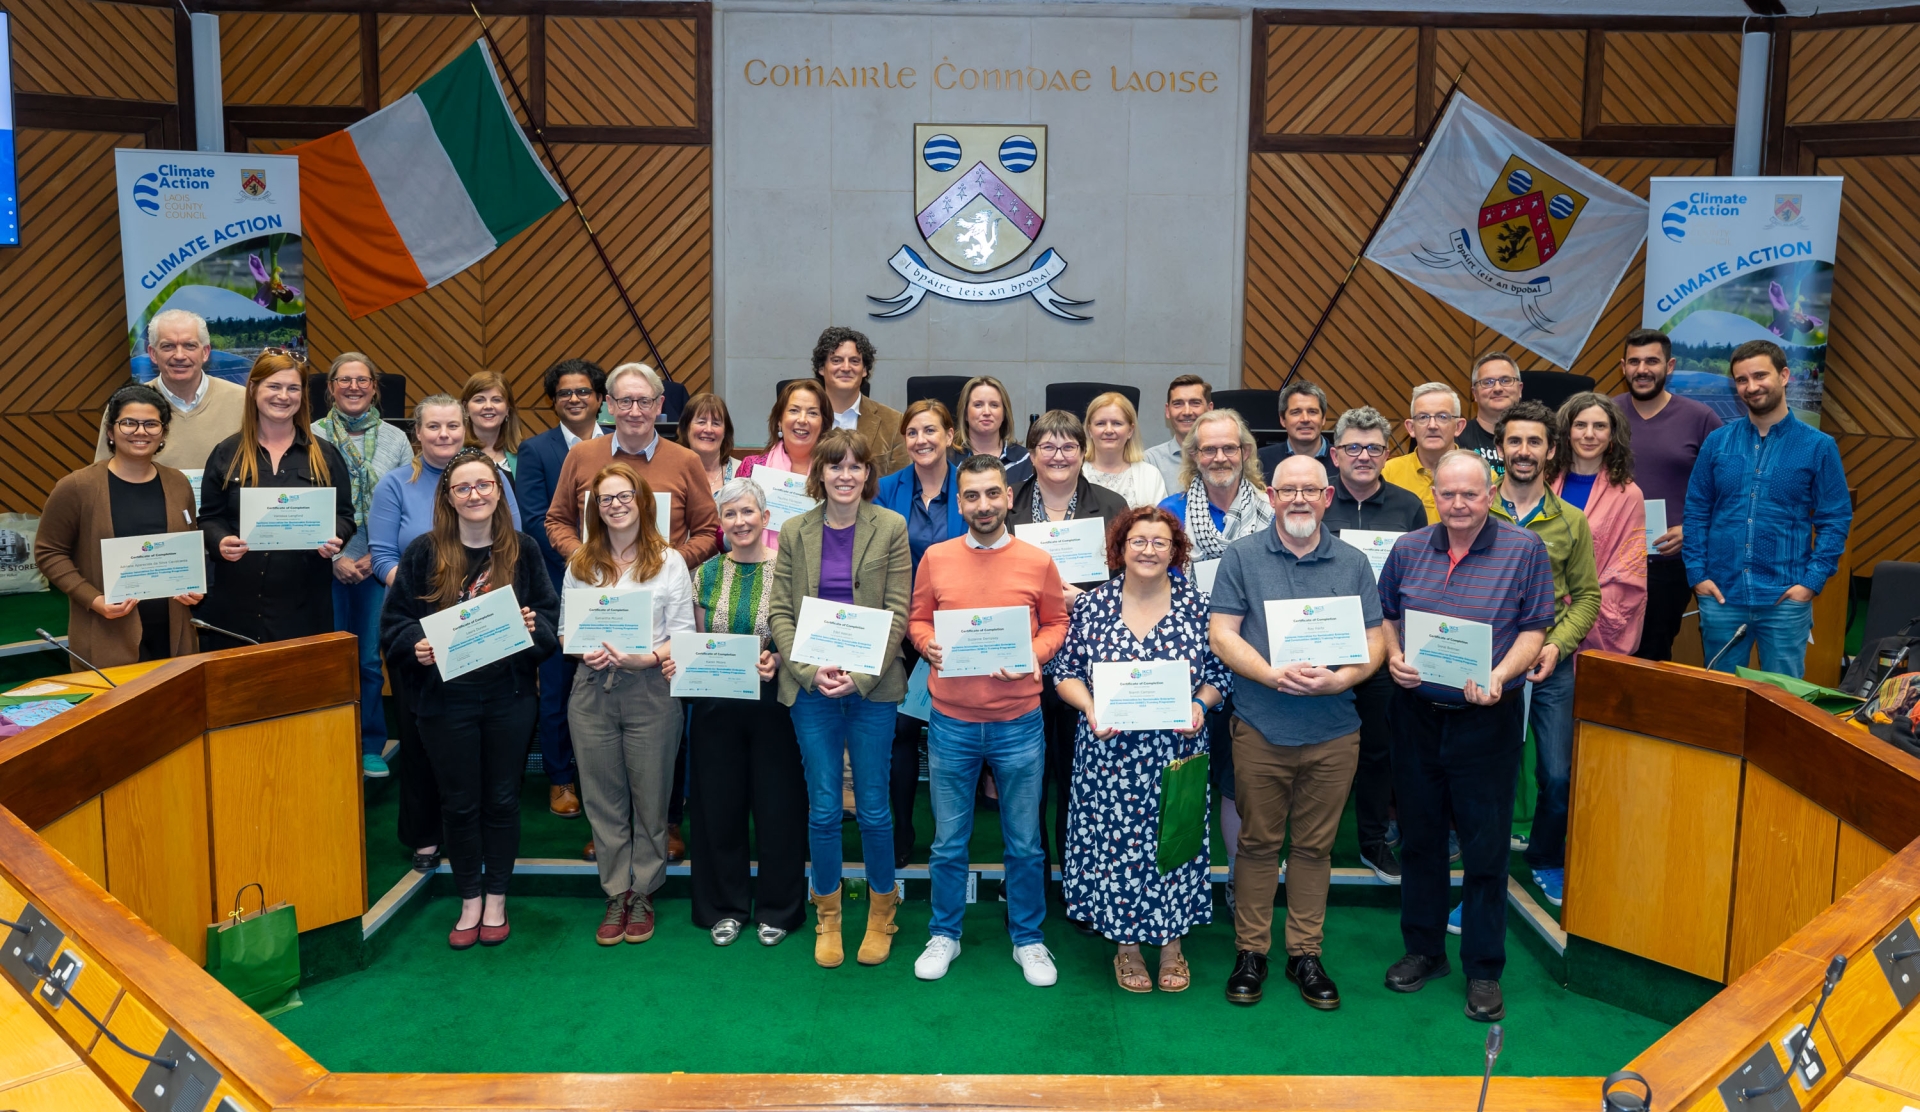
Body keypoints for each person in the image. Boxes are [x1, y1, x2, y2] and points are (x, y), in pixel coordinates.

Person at [1377, 451, 1555, 1023]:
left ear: (1491, 492)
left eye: (1470, 495)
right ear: (1436, 494)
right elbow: (1385, 616)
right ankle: (1424, 951)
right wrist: (1397, 657)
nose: (1458, 505)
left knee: (1484, 850)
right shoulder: (1408, 549)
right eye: (1448, 494)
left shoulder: (1523, 550)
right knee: (1422, 841)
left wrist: (1502, 677)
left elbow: (1535, 627)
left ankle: (1483, 969)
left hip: (1487, 719)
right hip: (1416, 715)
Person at [1207, 455, 1384, 1010]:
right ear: (1272, 496)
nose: (1300, 499)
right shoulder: (1242, 556)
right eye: (1289, 490)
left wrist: (1341, 681)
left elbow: (1376, 640)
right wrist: (1269, 673)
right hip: (1261, 725)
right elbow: (1221, 634)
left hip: (1334, 731)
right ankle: (1251, 952)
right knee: (1257, 845)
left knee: (1315, 847)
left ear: (1327, 497)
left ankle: (1305, 953)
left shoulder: (1354, 562)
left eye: (1311, 490)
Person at [381, 448, 559, 949]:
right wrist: (412, 643)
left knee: (502, 799)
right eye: (463, 487)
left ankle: (497, 897)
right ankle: (469, 899)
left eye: (483, 485)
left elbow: (550, 618)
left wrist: (534, 627)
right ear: (448, 496)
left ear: (498, 491)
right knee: (459, 804)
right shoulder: (422, 552)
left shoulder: (522, 549)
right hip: (444, 702)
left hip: (509, 697)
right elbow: (393, 624)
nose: (475, 494)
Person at [1048, 506, 1229, 993]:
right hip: (1109, 755)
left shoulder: (1200, 605)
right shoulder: (1091, 606)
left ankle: (1172, 945)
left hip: (1177, 751)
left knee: (1175, 844)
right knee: (1116, 850)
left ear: (1176, 552)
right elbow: (1063, 672)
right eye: (1139, 541)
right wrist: (1089, 708)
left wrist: (1199, 704)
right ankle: (1126, 948)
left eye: (1160, 542)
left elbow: (1219, 674)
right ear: (1120, 549)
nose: (1149, 550)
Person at [909, 454, 1071, 987]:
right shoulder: (935, 557)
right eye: (972, 496)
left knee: (1024, 842)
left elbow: (1057, 621)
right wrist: (927, 643)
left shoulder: (1037, 560)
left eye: (992, 494)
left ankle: (1028, 938)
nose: (983, 505)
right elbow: (917, 619)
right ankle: (945, 933)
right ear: (960, 503)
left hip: (1019, 721)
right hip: (951, 721)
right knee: (948, 841)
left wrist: (1033, 653)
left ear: (1008, 497)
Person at [767, 428, 912, 969]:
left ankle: (881, 915)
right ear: (819, 474)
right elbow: (780, 610)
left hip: (872, 688)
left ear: (867, 474)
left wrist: (861, 674)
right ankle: (829, 918)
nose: (845, 475)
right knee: (824, 808)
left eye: (855, 466)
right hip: (811, 687)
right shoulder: (795, 529)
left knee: (875, 808)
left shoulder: (891, 527)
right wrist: (808, 671)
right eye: (835, 466)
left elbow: (897, 610)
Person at [369, 396, 524, 873]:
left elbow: (512, 545)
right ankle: (425, 836)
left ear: (466, 429)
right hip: (423, 632)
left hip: (488, 635)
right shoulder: (396, 484)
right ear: (416, 433)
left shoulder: (493, 480)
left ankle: (474, 838)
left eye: (452, 426)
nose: (443, 434)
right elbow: (380, 557)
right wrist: (439, 602)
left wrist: (477, 609)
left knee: (482, 751)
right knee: (421, 746)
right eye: (432, 426)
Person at [564, 461, 694, 947]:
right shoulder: (580, 562)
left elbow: (683, 634)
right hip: (591, 688)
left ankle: (644, 890)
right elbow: (565, 632)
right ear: (595, 509)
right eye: (606, 499)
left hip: (651, 690)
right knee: (602, 797)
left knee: (651, 795)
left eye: (624, 497)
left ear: (642, 502)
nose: (615, 506)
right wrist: (584, 649)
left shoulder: (670, 562)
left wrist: (648, 656)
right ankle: (615, 891)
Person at [1487, 401, 1601, 909]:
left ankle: (1546, 858)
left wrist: (1556, 645)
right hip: (1488, 663)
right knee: (1490, 776)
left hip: (1549, 664)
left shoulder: (1571, 522)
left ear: (1551, 450)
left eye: (1535, 442)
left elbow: (1589, 596)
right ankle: (1481, 879)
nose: (1524, 451)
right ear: (1500, 448)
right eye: (1515, 441)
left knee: (1557, 774)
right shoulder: (1474, 507)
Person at [1005, 409, 1127, 871]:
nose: (1058, 456)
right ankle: (1027, 875)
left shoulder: (1113, 507)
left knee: (1082, 776)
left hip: (1090, 659)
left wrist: (1087, 599)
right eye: (1048, 447)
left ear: (1083, 452)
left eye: (1069, 447)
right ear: (1032, 455)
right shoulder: (1008, 505)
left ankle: (1080, 875)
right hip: (1025, 655)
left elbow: (1135, 581)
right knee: (1026, 778)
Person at [1685, 339, 1851, 679]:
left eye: (1760, 375)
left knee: (1783, 705)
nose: (1751, 386)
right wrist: (1697, 575)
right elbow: (1697, 510)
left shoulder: (1818, 447)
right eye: (1742, 380)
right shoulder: (1717, 443)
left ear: (1785, 375)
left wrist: (1811, 582)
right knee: (1721, 700)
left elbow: (1835, 520)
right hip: (1722, 598)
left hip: (1785, 600)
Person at [688, 479, 807, 947]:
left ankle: (779, 908)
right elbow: (700, 642)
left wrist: (777, 658)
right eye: (731, 514)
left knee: (779, 808)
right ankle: (724, 907)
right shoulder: (705, 575)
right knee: (718, 808)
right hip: (716, 705)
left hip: (773, 704)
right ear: (721, 524)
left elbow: (798, 636)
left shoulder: (788, 571)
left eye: (748, 512)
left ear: (765, 517)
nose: (740, 522)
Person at [1319, 406, 1428, 884]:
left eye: (1374, 448)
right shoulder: (1318, 500)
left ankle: (1371, 843)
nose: (1363, 456)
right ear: (1334, 453)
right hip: (1321, 643)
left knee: (1379, 750)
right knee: (1314, 747)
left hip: (1384, 644)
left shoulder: (1409, 507)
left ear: (1388, 453)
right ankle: (1307, 849)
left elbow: (1421, 580)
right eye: (1353, 447)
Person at [197, 352, 355, 650]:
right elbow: (208, 517)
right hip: (236, 605)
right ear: (254, 389)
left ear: (302, 395)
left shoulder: (325, 455)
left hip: (305, 606)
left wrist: (336, 536)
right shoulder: (226, 453)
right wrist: (220, 541)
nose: (283, 396)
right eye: (274, 386)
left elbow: (345, 515)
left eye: (293, 388)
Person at [39, 384, 204, 668]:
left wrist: (194, 586)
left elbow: (190, 544)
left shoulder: (178, 483)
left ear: (163, 432)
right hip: (107, 633)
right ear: (111, 430)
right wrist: (93, 599)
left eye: (151, 424)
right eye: (129, 423)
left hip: (173, 632)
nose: (141, 432)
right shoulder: (77, 487)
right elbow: (49, 552)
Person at [514, 359, 610, 820]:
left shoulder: (619, 444)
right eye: (565, 393)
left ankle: (607, 779)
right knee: (556, 687)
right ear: (554, 401)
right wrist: (583, 559)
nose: (575, 399)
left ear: (599, 398)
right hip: (557, 586)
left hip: (619, 589)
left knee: (609, 685)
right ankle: (560, 779)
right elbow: (534, 519)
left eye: (583, 391)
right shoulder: (536, 450)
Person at [874, 399, 966, 868]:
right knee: (901, 730)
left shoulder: (971, 489)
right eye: (912, 432)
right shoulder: (886, 490)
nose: (922, 440)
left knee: (954, 732)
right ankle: (902, 830)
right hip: (899, 630)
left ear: (951, 435)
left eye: (931, 430)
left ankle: (953, 839)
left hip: (958, 631)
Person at [313, 353, 411, 778]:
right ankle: (331, 740)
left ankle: (371, 743)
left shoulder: (397, 439)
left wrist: (376, 557)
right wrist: (336, 557)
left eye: (363, 380)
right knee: (329, 659)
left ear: (374, 387)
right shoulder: (310, 435)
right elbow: (302, 508)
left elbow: (408, 502)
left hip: (378, 564)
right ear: (331, 387)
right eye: (344, 380)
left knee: (370, 659)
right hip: (321, 564)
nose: (354, 387)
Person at [546, 362, 720, 572]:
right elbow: (558, 521)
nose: (635, 412)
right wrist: (580, 556)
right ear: (610, 404)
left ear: (659, 405)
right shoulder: (580, 455)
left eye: (645, 402)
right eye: (626, 401)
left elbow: (708, 532)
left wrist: (672, 564)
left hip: (664, 588)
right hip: (598, 587)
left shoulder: (686, 461)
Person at [1614, 328, 1723, 662]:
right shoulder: (1605, 414)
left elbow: (1729, 490)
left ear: (1670, 365)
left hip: (1668, 561)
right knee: (1607, 649)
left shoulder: (1700, 419)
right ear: (1623, 366)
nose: (1642, 369)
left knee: (1652, 653)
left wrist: (1691, 531)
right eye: (1634, 361)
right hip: (1611, 557)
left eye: (1652, 361)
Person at [1549, 393, 1648, 656]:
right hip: (1538, 615)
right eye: (1580, 425)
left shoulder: (1629, 495)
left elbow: (1628, 570)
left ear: (1612, 435)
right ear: (1566, 432)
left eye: (1600, 426)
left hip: (1592, 620)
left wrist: (1578, 608)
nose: (1589, 434)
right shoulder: (1542, 483)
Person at [93, 309, 246, 470]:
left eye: (189, 346)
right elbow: (103, 474)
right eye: (168, 346)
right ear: (152, 353)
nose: (179, 355)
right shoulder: (125, 406)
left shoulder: (242, 401)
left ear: (205, 352)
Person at [1158, 408, 1273, 562]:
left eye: (1229, 448)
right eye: (1209, 449)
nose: (1220, 458)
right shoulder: (1170, 513)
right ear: (1194, 455)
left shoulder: (1271, 511)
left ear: (1245, 452)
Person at [738, 379, 828, 549]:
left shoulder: (833, 473)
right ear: (779, 420)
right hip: (757, 568)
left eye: (813, 413)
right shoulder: (752, 468)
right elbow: (724, 529)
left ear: (823, 424)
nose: (802, 420)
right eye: (794, 411)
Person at [812, 326, 906, 476]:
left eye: (855, 361)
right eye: (837, 360)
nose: (846, 367)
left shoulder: (894, 422)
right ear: (822, 368)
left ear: (864, 370)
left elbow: (901, 484)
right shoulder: (802, 420)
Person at [1381, 383, 1467, 524]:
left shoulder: (1482, 474)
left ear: (1458, 427)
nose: (1432, 425)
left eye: (1442, 417)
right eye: (1423, 417)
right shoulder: (1387, 472)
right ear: (1411, 428)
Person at [1082, 392, 1167, 509]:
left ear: (1130, 430)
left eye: (1117, 423)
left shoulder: (1150, 475)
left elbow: (1159, 524)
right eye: (1100, 423)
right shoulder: (1075, 473)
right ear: (1090, 430)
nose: (1108, 430)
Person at [954, 375, 1033, 485]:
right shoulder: (949, 460)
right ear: (965, 413)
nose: (986, 412)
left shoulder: (1024, 460)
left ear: (1004, 413)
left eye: (994, 405)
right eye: (978, 405)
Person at [1255, 381, 1335, 479]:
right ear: (1283, 420)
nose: (1305, 419)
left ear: (1323, 419)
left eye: (1312, 412)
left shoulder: (1342, 459)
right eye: (1296, 412)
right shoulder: (1260, 460)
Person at [1146, 375, 1212, 492]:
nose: (1187, 412)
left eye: (1195, 403)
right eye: (1178, 404)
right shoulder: (1150, 461)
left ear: (1209, 409)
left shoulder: (1225, 458)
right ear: (1167, 411)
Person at [1458, 353, 1522, 470]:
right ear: (1475, 394)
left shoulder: (1536, 438)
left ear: (1520, 389)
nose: (1497, 388)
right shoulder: (1457, 438)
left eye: (1506, 380)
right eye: (1488, 382)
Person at [460, 370, 525, 479]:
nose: (488, 406)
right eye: (479, 400)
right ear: (465, 408)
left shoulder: (524, 455)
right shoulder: (452, 454)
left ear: (508, 408)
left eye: (496, 400)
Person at [678, 392, 739, 496]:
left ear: (725, 432)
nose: (709, 430)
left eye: (716, 423)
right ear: (686, 428)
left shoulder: (743, 471)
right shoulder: (671, 472)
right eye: (701, 422)